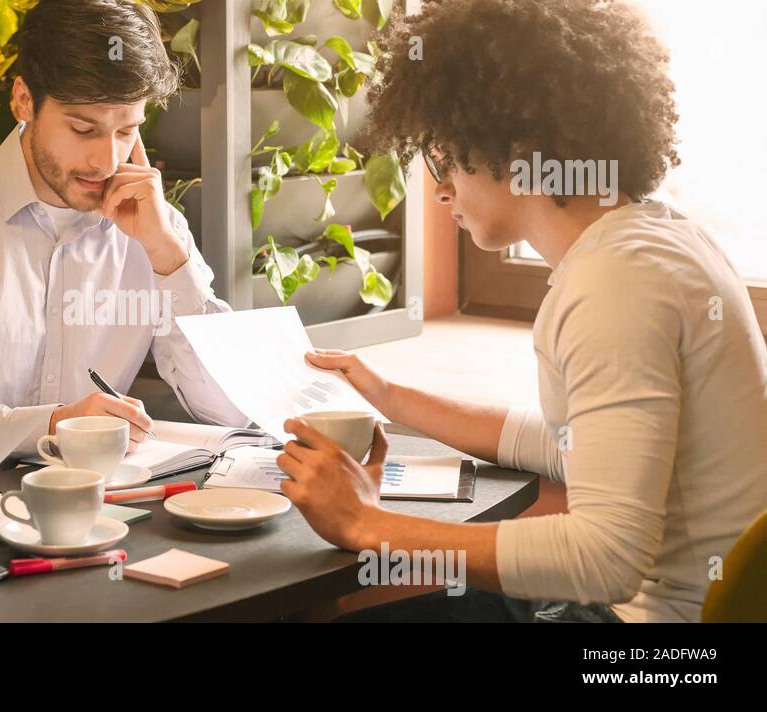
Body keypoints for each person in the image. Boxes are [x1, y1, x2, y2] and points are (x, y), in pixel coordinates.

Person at [277, 0, 767, 622]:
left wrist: (364, 523)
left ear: (519, 147)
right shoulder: (654, 239)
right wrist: (391, 398)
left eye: (443, 155)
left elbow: (604, 559)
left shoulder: (615, 285)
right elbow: (575, 444)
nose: (442, 187)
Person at [0, 0, 249, 460]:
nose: (106, 162)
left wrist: (168, 258)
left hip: (111, 509)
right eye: (83, 129)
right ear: (24, 100)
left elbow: (233, 409)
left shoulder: (156, 229)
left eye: (127, 131)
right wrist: (49, 426)